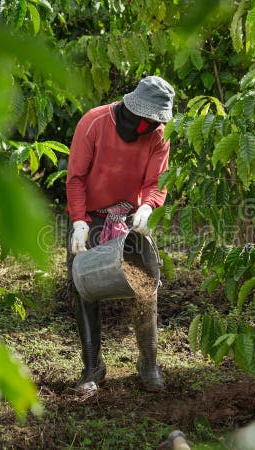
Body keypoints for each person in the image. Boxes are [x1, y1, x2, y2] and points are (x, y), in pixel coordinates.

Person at [65, 76, 175, 394]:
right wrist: (80, 222)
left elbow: (156, 182)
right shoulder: (94, 122)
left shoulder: (158, 135)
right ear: (134, 111)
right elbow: (76, 178)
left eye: (157, 121)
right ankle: (92, 367)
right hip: (91, 216)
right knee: (81, 283)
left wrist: (147, 207)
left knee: (147, 283)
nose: (154, 126)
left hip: (129, 216)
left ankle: (149, 363)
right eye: (150, 120)